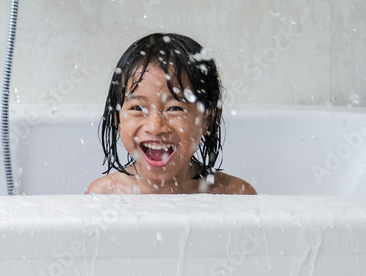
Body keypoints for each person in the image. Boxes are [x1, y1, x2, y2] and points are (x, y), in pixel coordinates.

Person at [86, 33, 256, 195]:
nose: (155, 127)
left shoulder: (233, 195)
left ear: (208, 120)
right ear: (117, 117)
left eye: (175, 108)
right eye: (137, 108)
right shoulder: (105, 195)